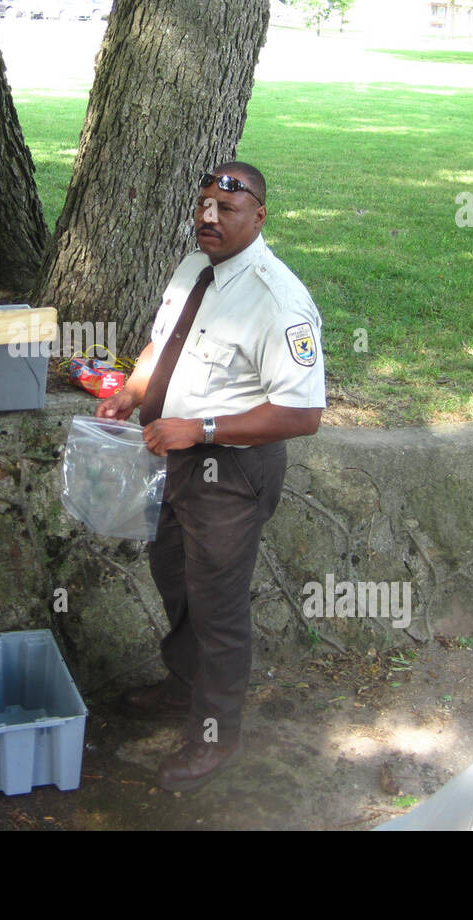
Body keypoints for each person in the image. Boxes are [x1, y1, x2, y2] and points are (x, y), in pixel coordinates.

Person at [96, 161, 325, 792]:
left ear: (260, 215)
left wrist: (200, 430)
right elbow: (158, 344)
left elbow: (303, 414)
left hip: (230, 473)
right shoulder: (193, 268)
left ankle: (215, 737)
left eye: (226, 208)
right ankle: (183, 686)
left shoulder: (279, 300)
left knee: (218, 608)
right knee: (174, 578)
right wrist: (131, 392)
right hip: (168, 462)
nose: (208, 217)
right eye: (202, 206)